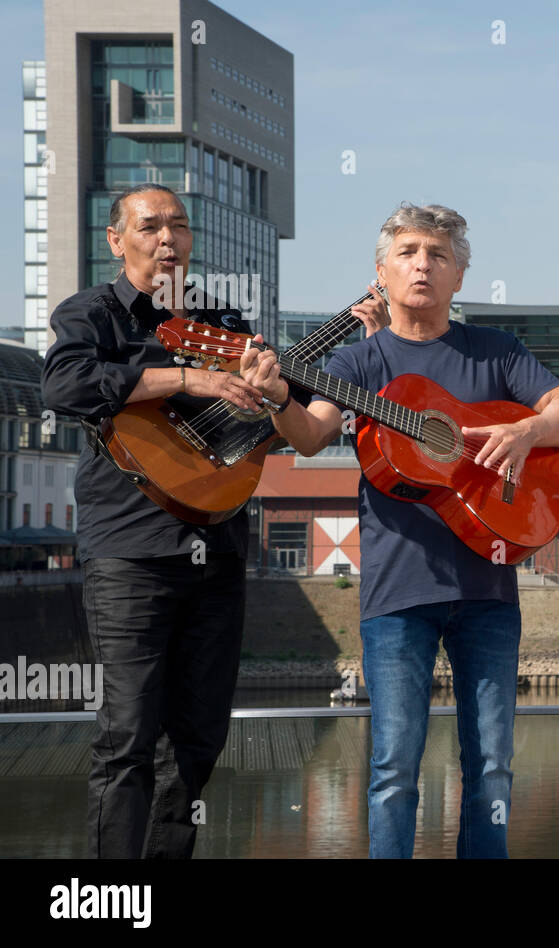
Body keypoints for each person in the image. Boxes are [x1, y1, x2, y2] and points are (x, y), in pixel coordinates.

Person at [40, 183, 388, 858]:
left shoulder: (223, 321)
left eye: (179, 226)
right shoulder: (93, 314)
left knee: (198, 738)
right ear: (118, 240)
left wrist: (273, 387)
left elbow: (291, 425)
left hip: (218, 547)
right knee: (128, 734)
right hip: (129, 552)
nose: (167, 239)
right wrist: (186, 380)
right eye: (150, 227)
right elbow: (64, 384)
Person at [240, 203, 559, 858]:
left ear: (459, 276)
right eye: (407, 253)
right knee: (394, 772)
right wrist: (278, 396)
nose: (422, 264)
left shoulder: (496, 352)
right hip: (396, 599)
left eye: (437, 254)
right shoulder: (357, 362)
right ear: (382, 271)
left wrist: (526, 430)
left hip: (488, 592)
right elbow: (313, 436)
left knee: (492, 767)